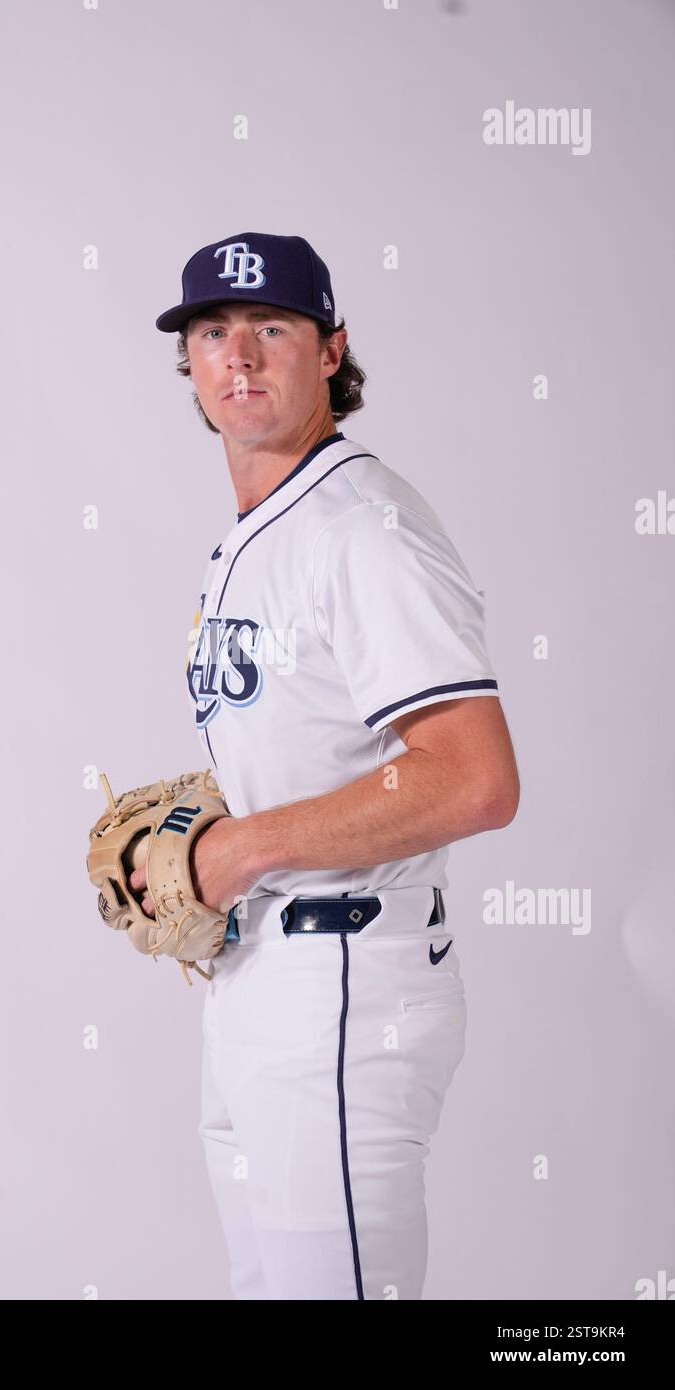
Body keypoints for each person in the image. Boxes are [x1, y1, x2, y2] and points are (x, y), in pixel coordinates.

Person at [130, 231, 520, 1300]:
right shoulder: (262, 530)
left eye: (272, 328)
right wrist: (207, 833)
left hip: (346, 984)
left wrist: (244, 844)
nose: (239, 354)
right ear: (189, 365)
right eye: (212, 331)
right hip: (262, 977)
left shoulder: (362, 527)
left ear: (330, 349)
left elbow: (472, 776)